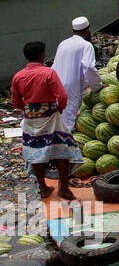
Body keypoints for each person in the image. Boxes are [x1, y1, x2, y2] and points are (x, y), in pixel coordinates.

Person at [11, 41, 78, 201]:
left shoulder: (18, 76)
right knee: (62, 151)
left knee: (35, 152)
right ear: (42, 55)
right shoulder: (49, 73)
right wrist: (58, 108)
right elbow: (62, 96)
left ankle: (43, 188)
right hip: (50, 116)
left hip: (31, 119)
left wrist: (28, 109)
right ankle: (64, 188)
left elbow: (15, 102)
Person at [52, 17, 101, 135]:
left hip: (55, 83)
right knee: (67, 120)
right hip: (71, 87)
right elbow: (89, 67)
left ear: (73, 30)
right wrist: (97, 86)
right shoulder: (86, 45)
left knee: (55, 116)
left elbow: (55, 64)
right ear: (88, 30)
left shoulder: (63, 43)